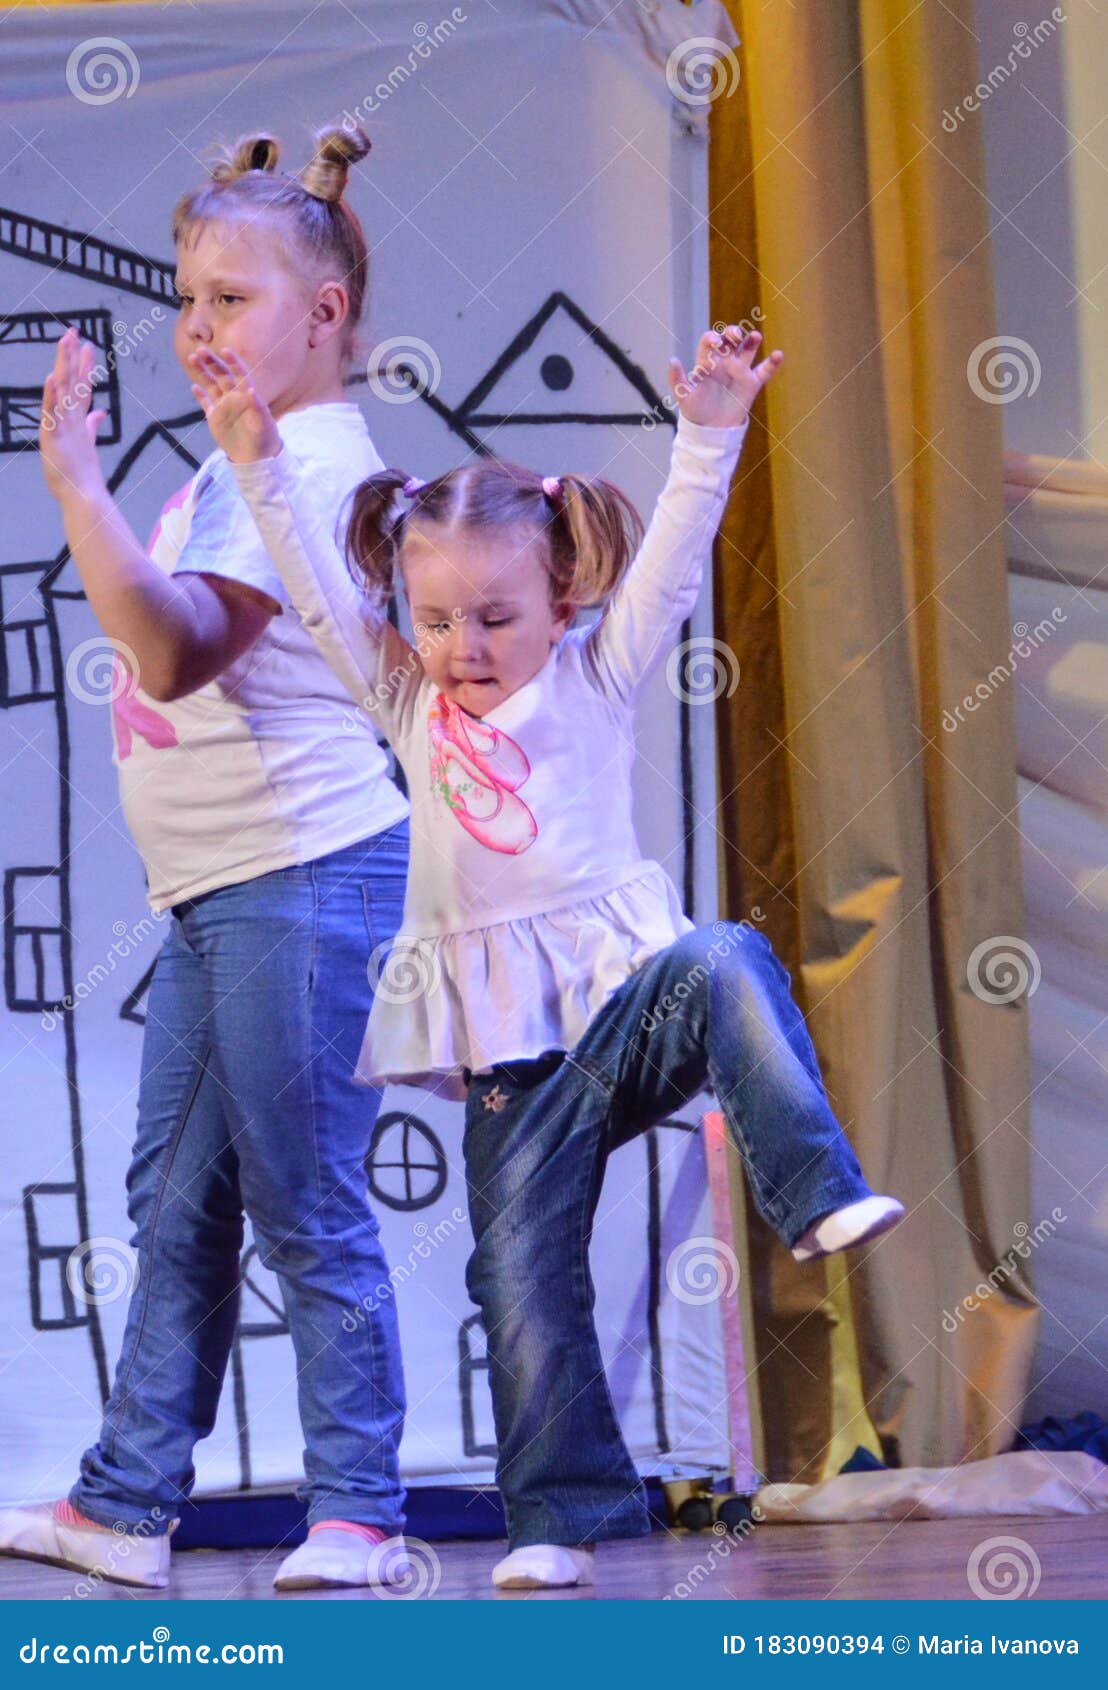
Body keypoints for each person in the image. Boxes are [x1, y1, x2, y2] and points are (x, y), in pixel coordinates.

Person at [187, 322, 904, 1590]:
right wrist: (254, 463)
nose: (465, 645)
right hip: (512, 1063)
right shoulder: (406, 698)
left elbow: (676, 560)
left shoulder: (597, 672)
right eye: (437, 617)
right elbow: (308, 588)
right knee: (518, 1282)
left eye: (497, 617)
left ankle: (810, 1190)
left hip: (628, 1004)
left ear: (561, 595)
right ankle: (556, 1516)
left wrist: (715, 423)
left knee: (728, 951)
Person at [0, 126, 414, 1593]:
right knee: (175, 1202)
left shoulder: (301, 457)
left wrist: (73, 483)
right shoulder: (241, 459)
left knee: (307, 1200)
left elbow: (174, 653)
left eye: (232, 298)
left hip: (303, 879)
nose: (197, 326)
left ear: (326, 315)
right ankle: (125, 1499)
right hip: (217, 893)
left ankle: (361, 1506)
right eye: (189, 296)